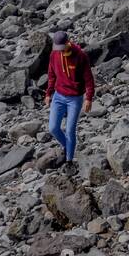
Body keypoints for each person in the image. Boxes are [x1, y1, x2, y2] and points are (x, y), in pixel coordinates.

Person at [45, 30, 94, 163]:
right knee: (53, 128)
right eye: (58, 48)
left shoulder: (81, 56)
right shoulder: (54, 54)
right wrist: (48, 93)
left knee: (70, 129)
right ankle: (68, 146)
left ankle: (69, 160)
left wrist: (88, 98)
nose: (60, 50)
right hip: (58, 96)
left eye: (62, 47)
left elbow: (89, 79)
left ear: (68, 42)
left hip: (75, 98)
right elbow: (51, 75)